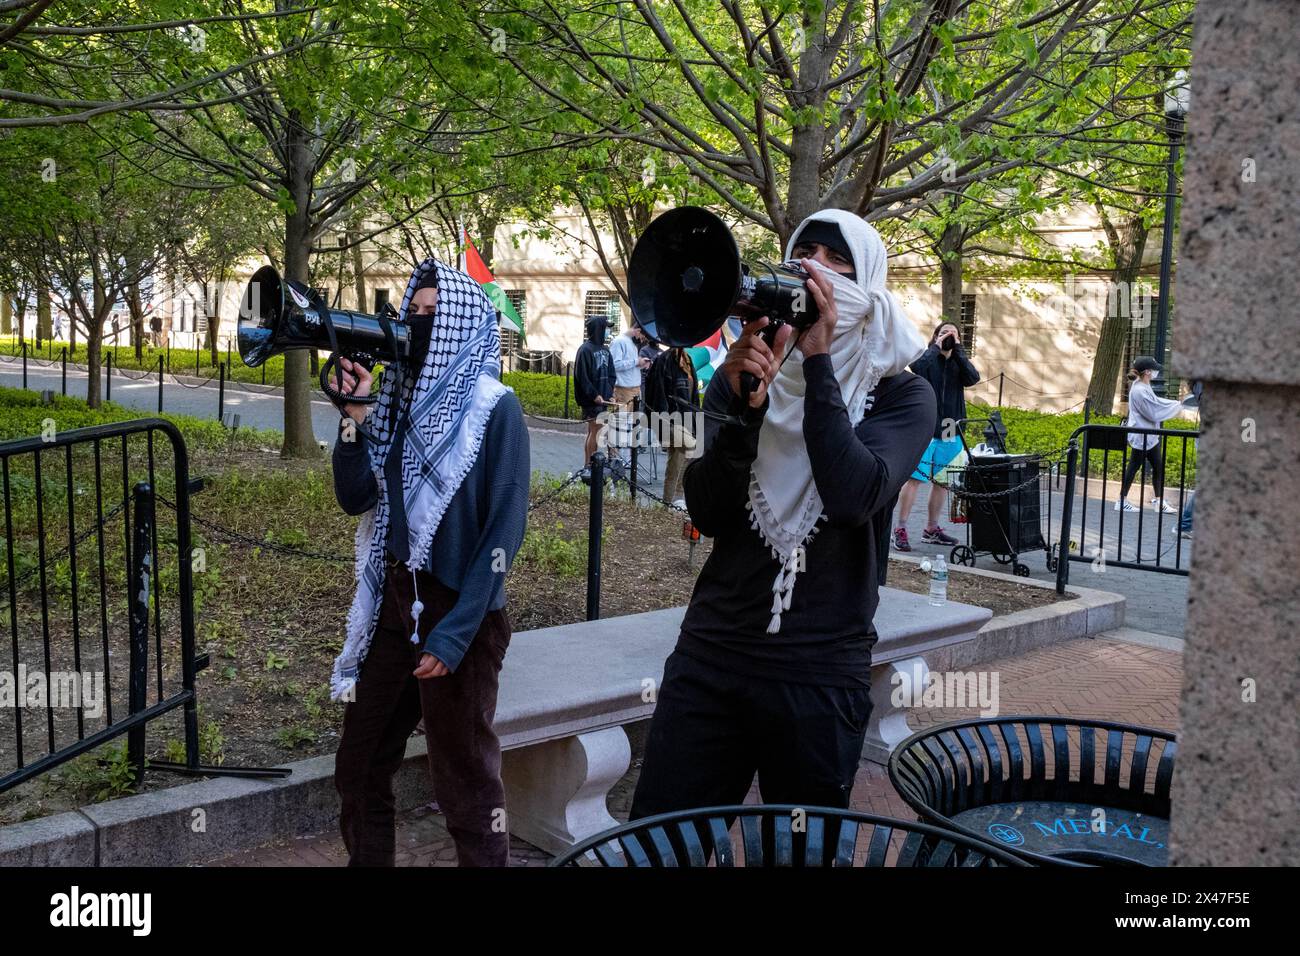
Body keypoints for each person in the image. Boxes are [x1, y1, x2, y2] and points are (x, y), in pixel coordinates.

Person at [629, 209, 934, 820]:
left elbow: (852, 495)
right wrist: (745, 412)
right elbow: (709, 510)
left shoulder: (903, 395)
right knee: (661, 840)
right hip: (712, 654)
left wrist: (817, 365)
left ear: (867, 283)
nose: (813, 267)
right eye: (805, 251)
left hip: (820, 672)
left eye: (835, 258)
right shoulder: (744, 375)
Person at [329, 258, 530, 867]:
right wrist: (352, 421)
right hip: (396, 606)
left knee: (467, 787)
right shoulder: (392, 399)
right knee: (359, 766)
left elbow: (504, 532)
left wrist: (456, 633)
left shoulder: (495, 409)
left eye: (432, 315)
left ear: (462, 326)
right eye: (411, 313)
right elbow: (354, 496)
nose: (417, 325)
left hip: (459, 614)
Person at [891, 322, 980, 551]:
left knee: (943, 480)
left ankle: (931, 529)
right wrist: (936, 347)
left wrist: (957, 351)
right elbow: (916, 368)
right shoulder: (927, 357)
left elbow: (973, 378)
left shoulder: (959, 361)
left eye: (952, 334)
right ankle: (900, 528)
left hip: (950, 425)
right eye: (943, 333)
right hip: (926, 423)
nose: (947, 337)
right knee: (915, 479)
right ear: (935, 336)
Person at [1116, 356, 1193, 513]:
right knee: (1134, 467)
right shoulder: (1139, 390)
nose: (1157, 372)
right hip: (1142, 435)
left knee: (1158, 467)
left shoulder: (1143, 386)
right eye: (1154, 369)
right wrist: (1178, 405)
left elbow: (1156, 403)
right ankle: (1121, 501)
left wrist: (1178, 404)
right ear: (1147, 372)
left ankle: (1159, 502)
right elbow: (1154, 411)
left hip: (1149, 435)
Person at [643, 345, 699, 509]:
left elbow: (694, 395)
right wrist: (662, 423)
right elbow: (657, 392)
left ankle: (668, 504)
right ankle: (677, 499)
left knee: (676, 462)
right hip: (670, 420)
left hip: (686, 419)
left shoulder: (687, 360)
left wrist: (696, 421)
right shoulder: (665, 359)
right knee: (693, 447)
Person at [573, 315, 615, 467]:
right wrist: (594, 394)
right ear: (598, 329)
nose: (607, 332)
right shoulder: (584, 350)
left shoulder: (605, 349)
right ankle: (590, 465)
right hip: (591, 401)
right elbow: (582, 377)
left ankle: (588, 465)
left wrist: (609, 394)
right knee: (595, 431)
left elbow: (611, 374)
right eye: (605, 328)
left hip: (602, 399)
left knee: (593, 431)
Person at [609, 322, 650, 410]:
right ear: (638, 331)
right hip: (624, 390)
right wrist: (636, 361)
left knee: (632, 422)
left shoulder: (632, 343)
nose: (641, 341)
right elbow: (615, 365)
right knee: (623, 422)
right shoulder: (619, 341)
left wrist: (641, 364)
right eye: (642, 338)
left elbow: (630, 365)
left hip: (634, 389)